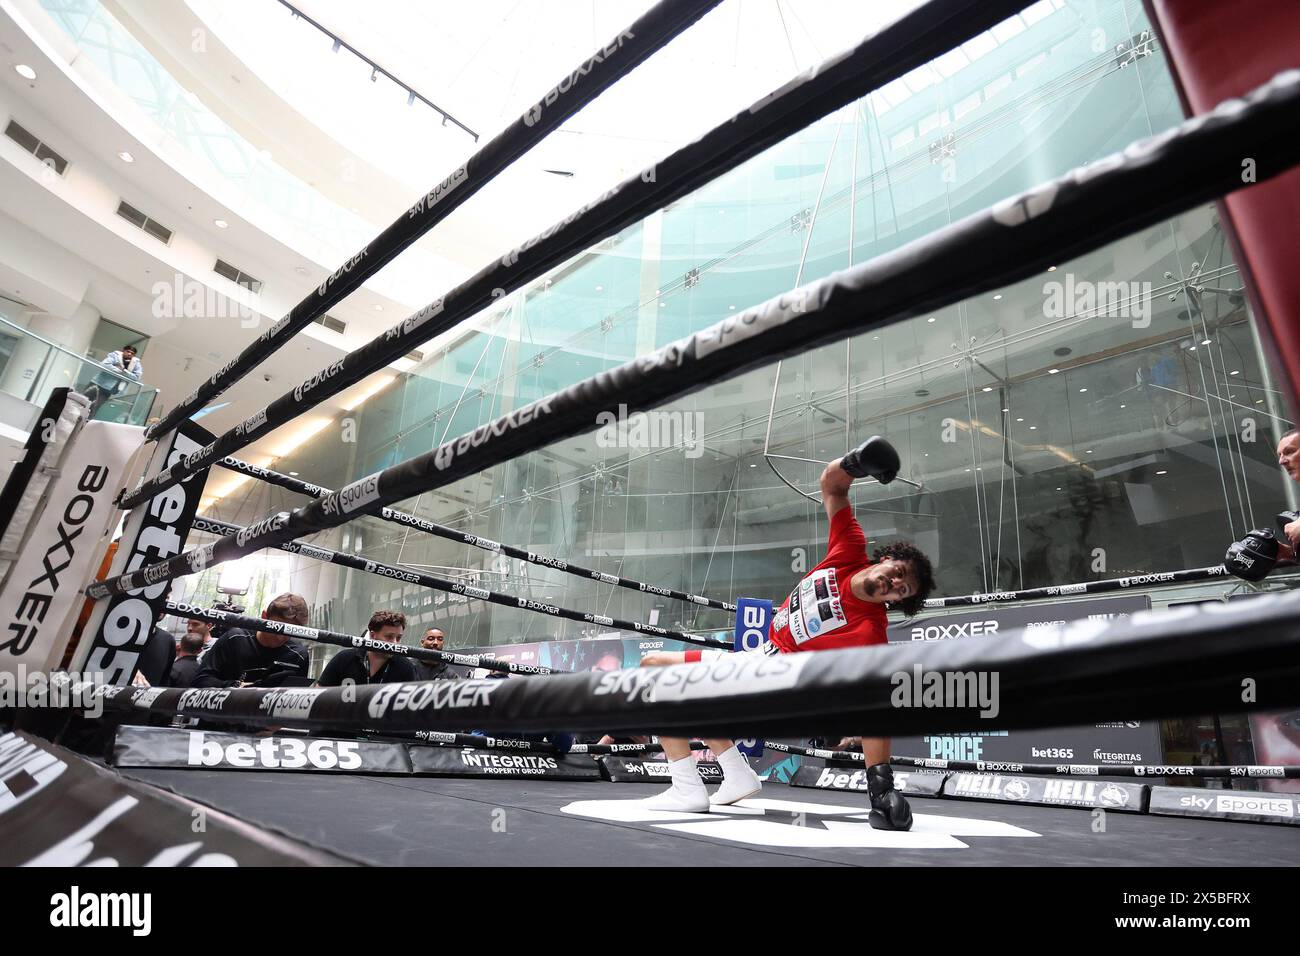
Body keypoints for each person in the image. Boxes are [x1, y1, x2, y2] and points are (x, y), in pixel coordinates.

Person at [635, 436, 935, 831]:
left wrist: (881, 787)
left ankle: (686, 787)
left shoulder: (869, 630)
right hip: (761, 656)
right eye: (899, 573)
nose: (895, 584)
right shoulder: (848, 549)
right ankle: (736, 774)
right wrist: (857, 462)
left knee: (659, 672)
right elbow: (832, 484)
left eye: (903, 590)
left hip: (778, 683)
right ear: (888, 558)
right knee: (664, 673)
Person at [191, 592, 311, 687]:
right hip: (226, 715)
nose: (281, 636)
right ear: (264, 616)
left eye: (291, 631)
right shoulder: (234, 639)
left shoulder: (298, 655)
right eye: (278, 628)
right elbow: (201, 680)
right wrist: (236, 686)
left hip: (266, 718)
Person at [316, 610, 419, 686]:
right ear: (373, 636)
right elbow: (318, 693)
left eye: (398, 638)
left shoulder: (406, 667)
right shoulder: (345, 659)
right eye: (389, 637)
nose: (394, 643)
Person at [83, 344, 143, 413]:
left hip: (109, 390)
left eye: (132, 353)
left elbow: (136, 377)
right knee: (82, 400)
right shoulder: (115, 355)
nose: (129, 354)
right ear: (123, 351)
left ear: (134, 355)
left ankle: (84, 421)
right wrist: (118, 370)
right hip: (97, 383)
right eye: (128, 351)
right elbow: (104, 364)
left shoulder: (136, 363)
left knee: (95, 407)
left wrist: (124, 371)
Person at [168, 618, 212, 688]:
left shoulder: (216, 649)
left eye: (195, 624)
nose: (189, 628)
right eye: (188, 624)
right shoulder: (178, 650)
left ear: (209, 626)